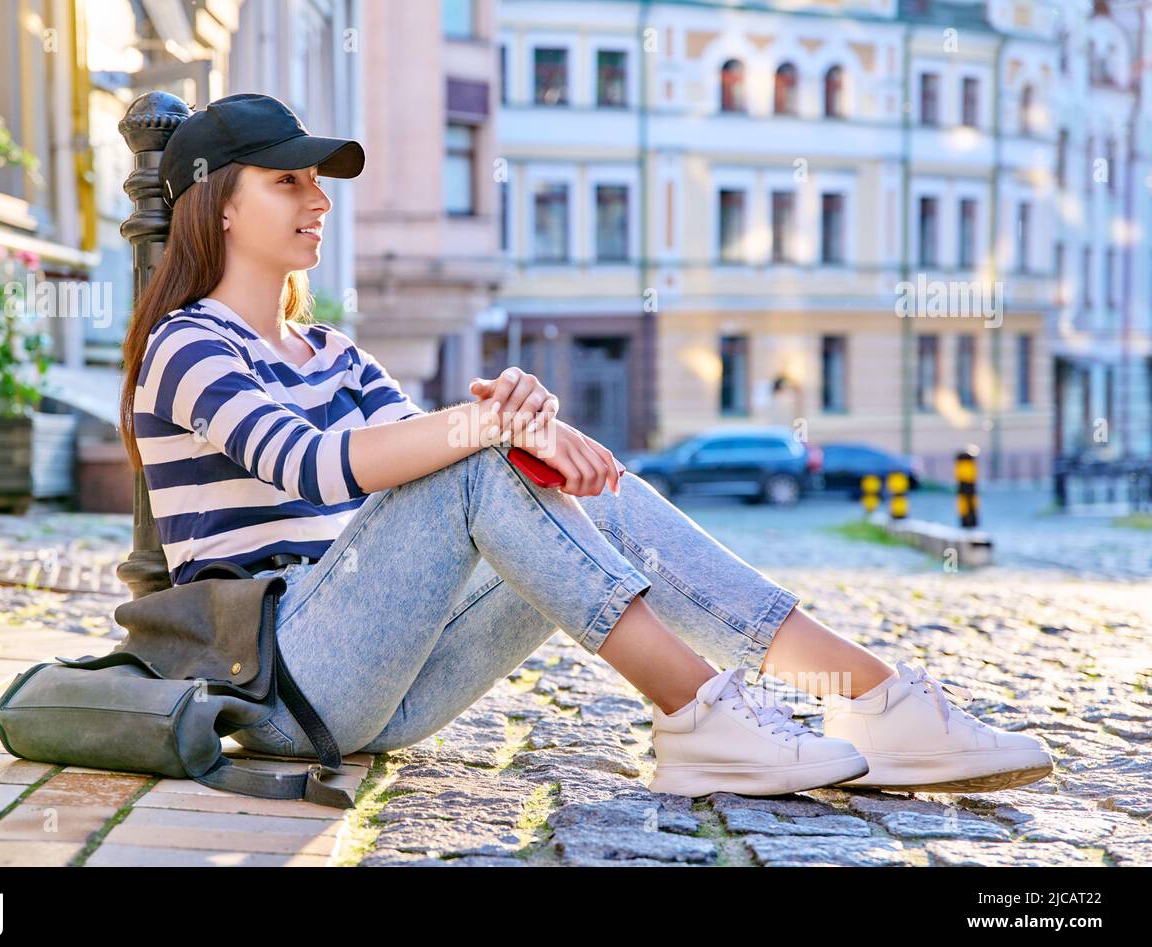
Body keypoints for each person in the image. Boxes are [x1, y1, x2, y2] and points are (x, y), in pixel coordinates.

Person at [116, 93, 1054, 798]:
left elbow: (413, 462)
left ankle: (875, 700)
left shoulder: (333, 352)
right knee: (489, 463)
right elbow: (317, 466)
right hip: (283, 687)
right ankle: (699, 714)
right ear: (220, 206)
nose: (318, 200)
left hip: (382, 687)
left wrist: (532, 429)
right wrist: (494, 430)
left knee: (570, 486)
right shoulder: (188, 344)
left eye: (318, 181)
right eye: (290, 180)